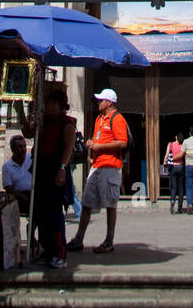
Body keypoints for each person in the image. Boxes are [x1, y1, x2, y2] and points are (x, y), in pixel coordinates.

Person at [67, 89, 129, 255]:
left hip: (110, 167)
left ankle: (109, 240)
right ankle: (79, 239)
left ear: (109, 102)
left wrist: (101, 147)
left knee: (110, 205)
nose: (98, 102)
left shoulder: (117, 119)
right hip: (97, 166)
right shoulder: (99, 119)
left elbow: (122, 142)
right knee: (87, 202)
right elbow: (98, 139)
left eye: (101, 100)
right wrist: (91, 143)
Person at [32, 87, 77, 269]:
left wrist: (62, 168)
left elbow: (68, 148)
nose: (46, 105)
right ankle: (47, 249)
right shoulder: (44, 122)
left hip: (55, 168)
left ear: (59, 105)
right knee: (41, 213)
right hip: (41, 167)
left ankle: (59, 252)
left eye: (50, 102)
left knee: (53, 213)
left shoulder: (66, 124)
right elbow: (29, 133)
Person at [1, 134, 32, 216]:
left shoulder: (31, 159)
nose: (23, 149)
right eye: (20, 147)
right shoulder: (7, 167)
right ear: (13, 149)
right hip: (18, 196)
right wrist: (21, 196)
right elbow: (8, 188)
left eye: (24, 146)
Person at [164, 131, 185, 214]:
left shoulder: (170, 144)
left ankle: (172, 204)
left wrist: (164, 165)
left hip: (173, 167)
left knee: (173, 188)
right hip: (181, 166)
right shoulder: (183, 145)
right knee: (181, 188)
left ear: (176, 137)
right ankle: (180, 207)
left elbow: (166, 155)